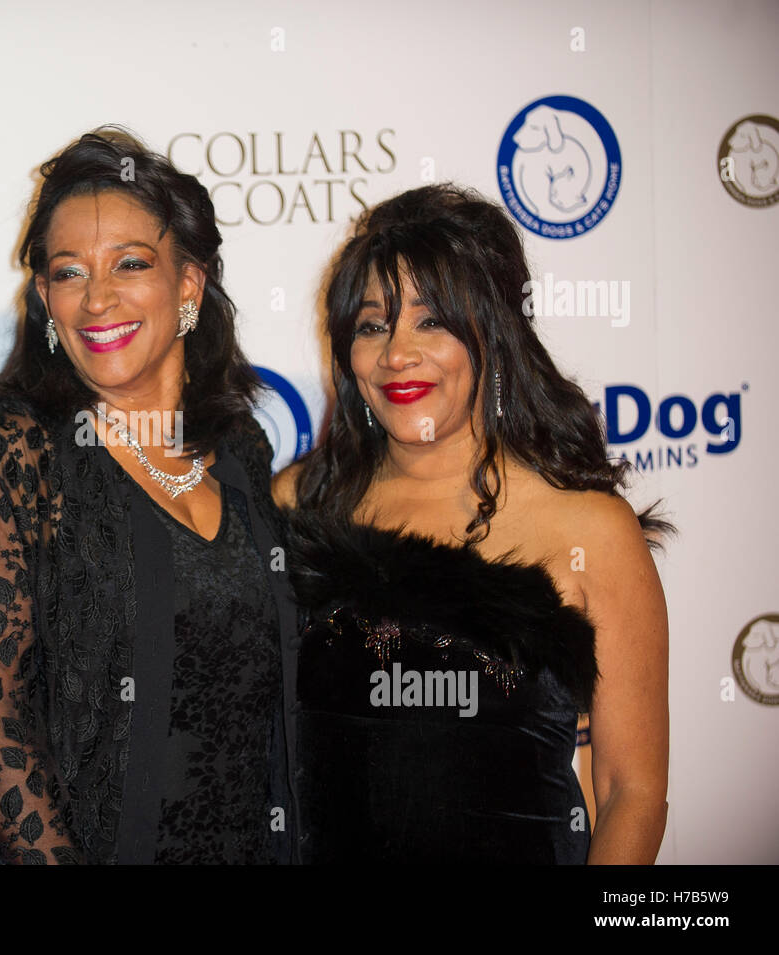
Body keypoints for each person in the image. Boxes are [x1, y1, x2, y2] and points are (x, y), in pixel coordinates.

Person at [0, 128, 301, 864]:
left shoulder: (243, 454)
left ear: (189, 285)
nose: (98, 298)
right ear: (44, 298)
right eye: (69, 273)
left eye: (130, 264)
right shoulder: (15, 453)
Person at [274, 184, 670, 864]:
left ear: (493, 329)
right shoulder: (296, 504)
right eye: (372, 325)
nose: (397, 353)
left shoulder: (591, 530)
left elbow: (631, 789)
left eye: (431, 321)